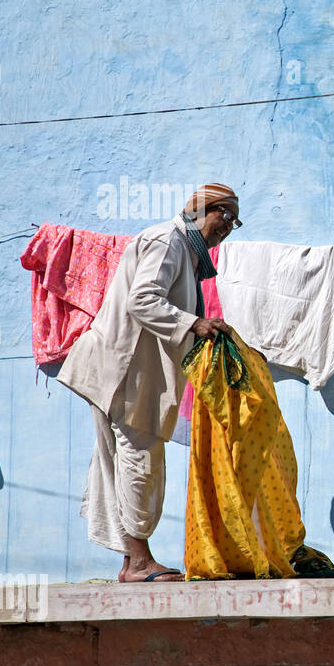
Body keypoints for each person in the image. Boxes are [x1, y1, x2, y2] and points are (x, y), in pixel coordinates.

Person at [58, 183, 241, 582]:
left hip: (126, 373)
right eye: (223, 214)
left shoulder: (187, 255)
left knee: (122, 463)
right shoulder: (169, 241)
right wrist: (194, 322)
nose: (228, 226)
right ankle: (139, 561)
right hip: (124, 371)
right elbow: (143, 299)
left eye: (233, 220)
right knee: (141, 461)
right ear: (198, 210)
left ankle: (131, 563)